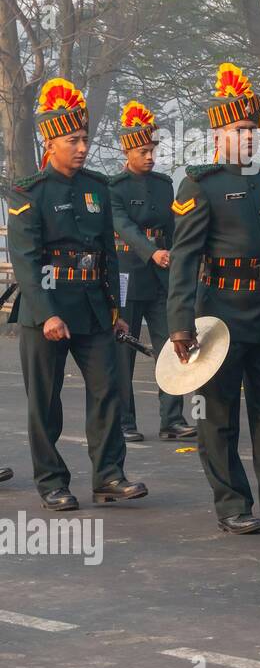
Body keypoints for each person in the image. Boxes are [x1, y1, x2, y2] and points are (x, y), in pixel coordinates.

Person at [167, 62, 260, 534]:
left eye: (255, 128)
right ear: (219, 134)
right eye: (241, 129)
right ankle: (232, 503)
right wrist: (180, 322)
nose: (250, 136)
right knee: (219, 416)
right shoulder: (200, 185)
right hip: (221, 316)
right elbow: (184, 257)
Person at [8, 78, 146, 512]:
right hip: (45, 312)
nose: (83, 146)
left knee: (108, 391)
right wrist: (47, 314)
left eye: (85, 138)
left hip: (92, 308)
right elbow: (26, 261)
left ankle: (109, 476)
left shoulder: (96, 188)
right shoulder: (29, 193)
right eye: (73, 139)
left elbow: (107, 253)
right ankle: (52, 481)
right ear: (51, 142)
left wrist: (115, 309)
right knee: (45, 402)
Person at [108, 99, 195, 443]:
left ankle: (172, 419)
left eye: (152, 150)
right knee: (124, 350)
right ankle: (124, 421)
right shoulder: (114, 187)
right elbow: (123, 226)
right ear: (127, 151)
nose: (149, 156)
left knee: (172, 345)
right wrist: (152, 252)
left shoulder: (163, 184)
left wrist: (179, 257)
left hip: (162, 276)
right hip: (128, 274)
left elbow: (174, 227)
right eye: (142, 150)